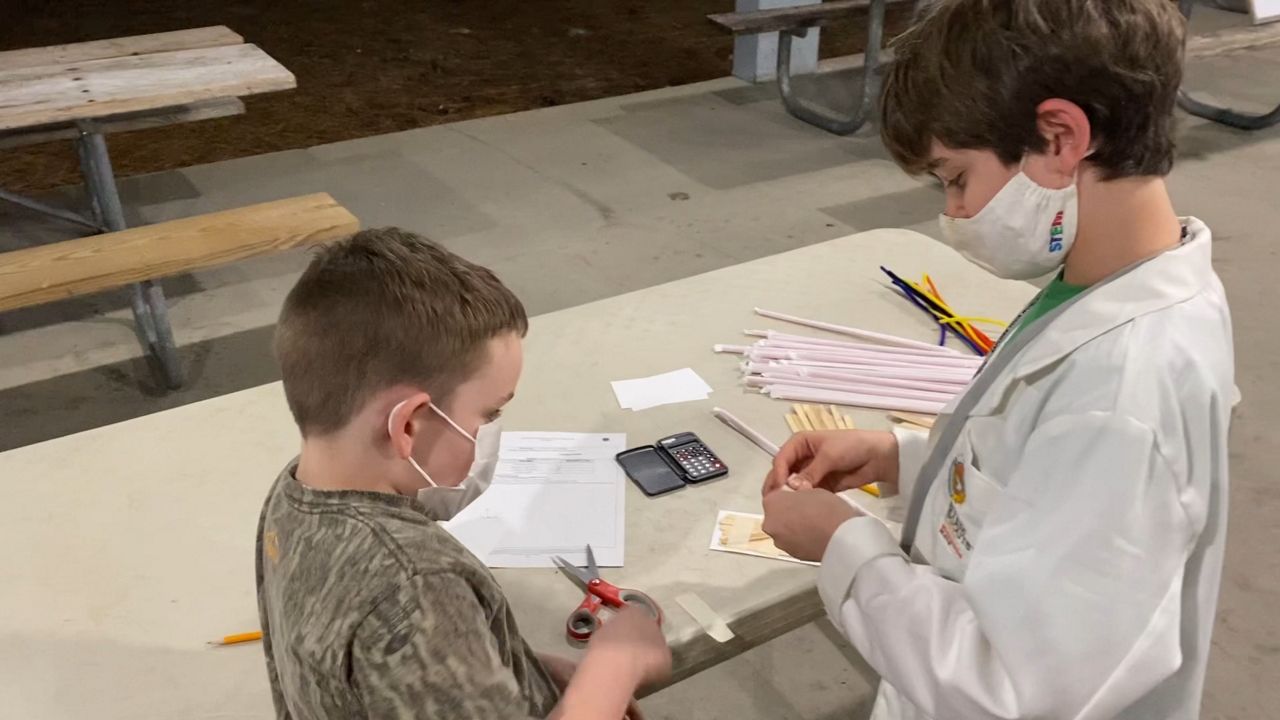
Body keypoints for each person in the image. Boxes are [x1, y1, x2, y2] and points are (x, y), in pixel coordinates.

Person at [760, 1, 1235, 719]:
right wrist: (904, 459)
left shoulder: (1125, 396)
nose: (953, 215)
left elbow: (1011, 691)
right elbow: (1037, 480)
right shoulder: (1098, 286)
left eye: (955, 179)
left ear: (1059, 137)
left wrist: (844, 550)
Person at [256, 228, 670, 719]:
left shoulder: (292, 494)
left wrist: (515, 671)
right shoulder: (415, 583)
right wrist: (614, 668)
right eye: (489, 415)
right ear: (408, 423)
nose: (491, 433)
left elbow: (396, 677)